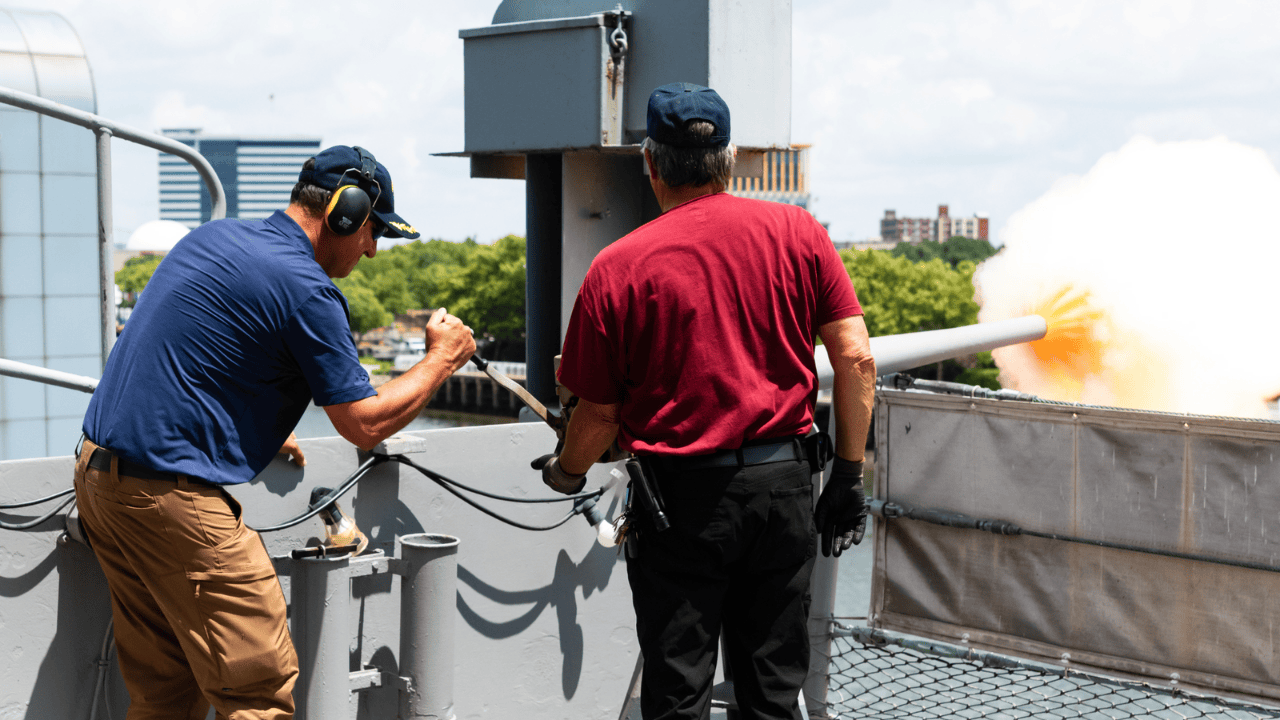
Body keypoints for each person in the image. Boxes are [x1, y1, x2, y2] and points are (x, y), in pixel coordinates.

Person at [73, 145, 476, 719]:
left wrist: (250, 428)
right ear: (346, 212)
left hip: (101, 480)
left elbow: (188, 359)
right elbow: (364, 423)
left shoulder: (211, 239)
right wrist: (441, 360)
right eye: (371, 232)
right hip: (170, 501)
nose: (371, 249)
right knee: (259, 690)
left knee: (165, 692)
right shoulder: (308, 289)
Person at [540, 84, 877, 720]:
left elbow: (601, 413)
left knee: (678, 695)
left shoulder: (618, 266)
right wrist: (849, 477)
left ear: (651, 162)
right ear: (729, 159)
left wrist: (568, 472)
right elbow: (856, 358)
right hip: (784, 490)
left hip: (682, 507)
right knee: (775, 695)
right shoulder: (798, 232)